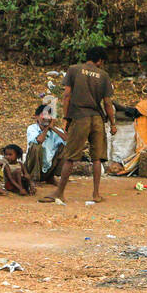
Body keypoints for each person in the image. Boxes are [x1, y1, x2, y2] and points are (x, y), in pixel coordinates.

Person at [49, 46, 117, 205]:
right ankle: (96, 194)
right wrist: (113, 124)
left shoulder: (74, 70)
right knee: (97, 158)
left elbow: (66, 95)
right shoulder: (104, 76)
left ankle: (60, 192)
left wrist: (66, 117)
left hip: (80, 117)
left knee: (70, 157)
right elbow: (107, 103)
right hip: (97, 119)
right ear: (100, 60)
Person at [24, 105, 66, 184]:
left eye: (49, 115)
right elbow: (39, 140)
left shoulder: (56, 131)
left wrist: (53, 127)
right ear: (36, 117)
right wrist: (47, 128)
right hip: (33, 167)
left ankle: (51, 176)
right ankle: (34, 178)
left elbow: (67, 141)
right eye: (44, 115)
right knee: (36, 146)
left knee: (65, 148)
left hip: (48, 166)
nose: (47, 118)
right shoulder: (32, 128)